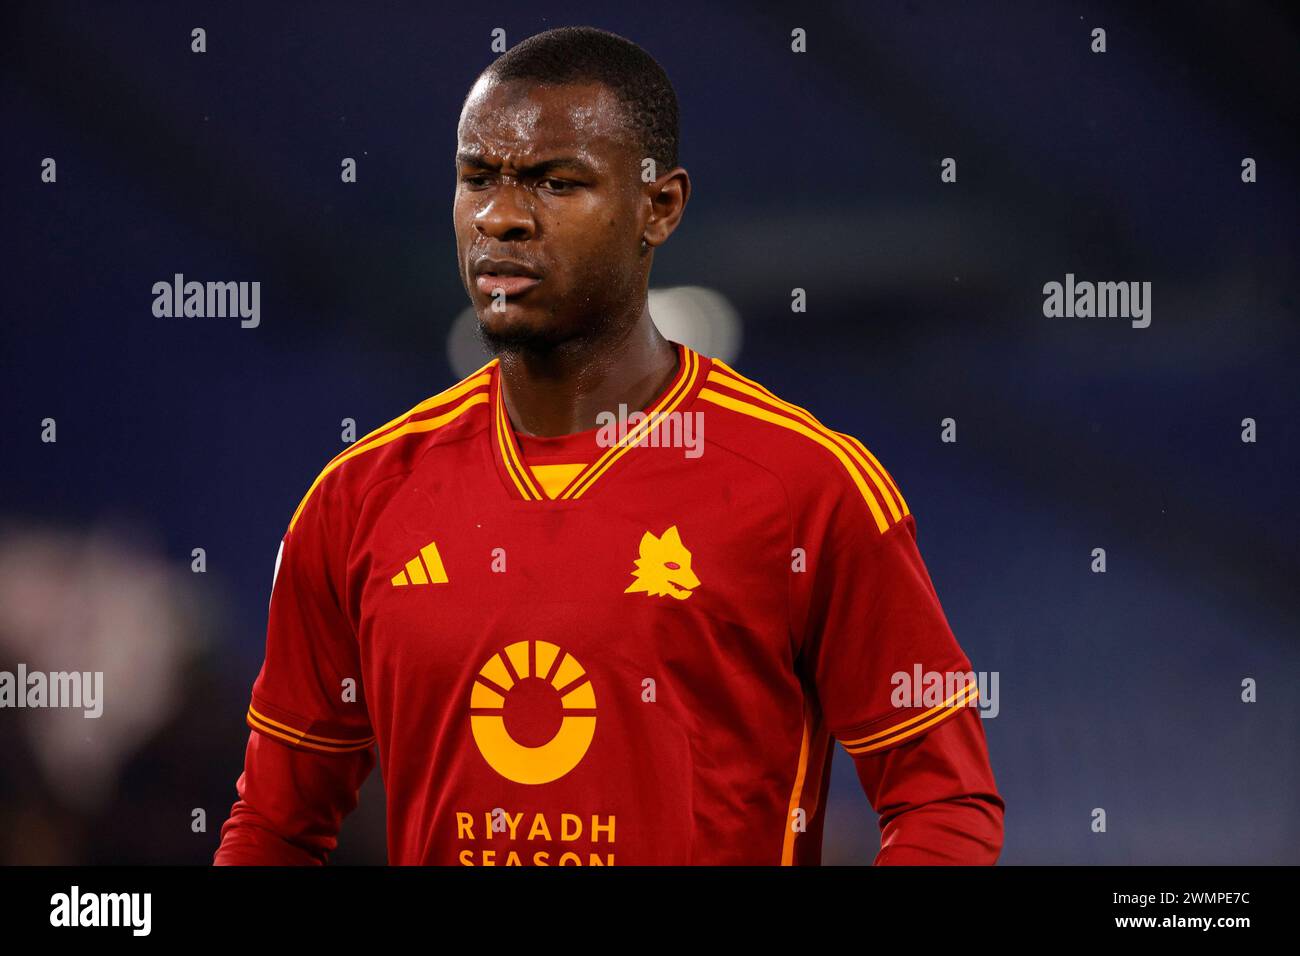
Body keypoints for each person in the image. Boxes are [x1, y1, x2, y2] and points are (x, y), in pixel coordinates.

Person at [214, 25, 1003, 866]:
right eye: (477, 178)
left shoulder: (806, 487)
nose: (500, 217)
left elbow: (944, 803)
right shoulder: (355, 500)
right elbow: (274, 827)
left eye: (556, 183)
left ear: (659, 208)